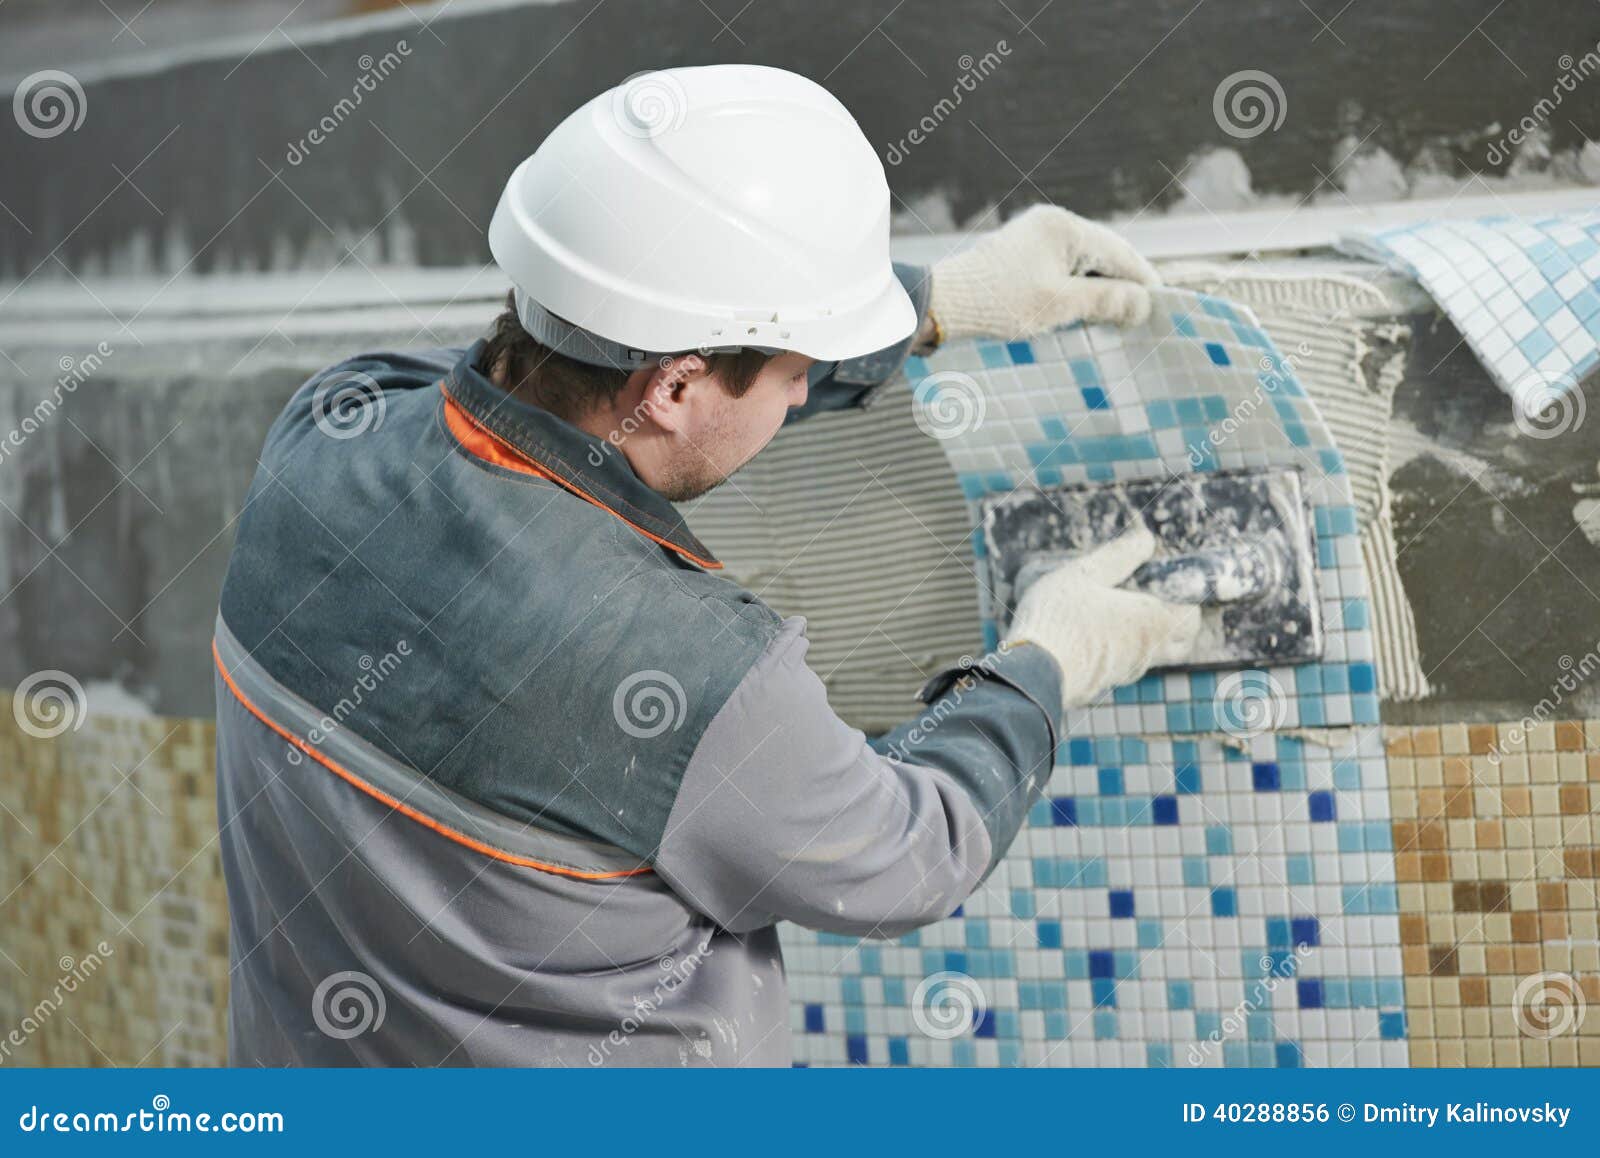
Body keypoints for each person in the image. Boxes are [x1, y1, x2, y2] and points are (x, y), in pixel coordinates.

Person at [212, 63, 1198, 1067]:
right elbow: (911, 857)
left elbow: (568, 368)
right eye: (796, 373)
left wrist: (931, 306)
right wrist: (1047, 662)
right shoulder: (689, 671)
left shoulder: (330, 430)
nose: (801, 394)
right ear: (676, 387)